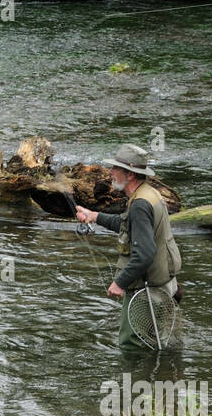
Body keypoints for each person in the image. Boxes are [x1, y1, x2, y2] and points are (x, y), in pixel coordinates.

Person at [74, 144, 182, 348]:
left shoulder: (140, 205)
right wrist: (94, 216)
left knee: (134, 350)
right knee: (157, 347)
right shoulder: (149, 194)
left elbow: (144, 255)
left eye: (115, 169)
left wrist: (120, 283)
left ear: (130, 174)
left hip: (146, 294)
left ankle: (138, 381)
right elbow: (126, 225)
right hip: (163, 287)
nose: (110, 172)